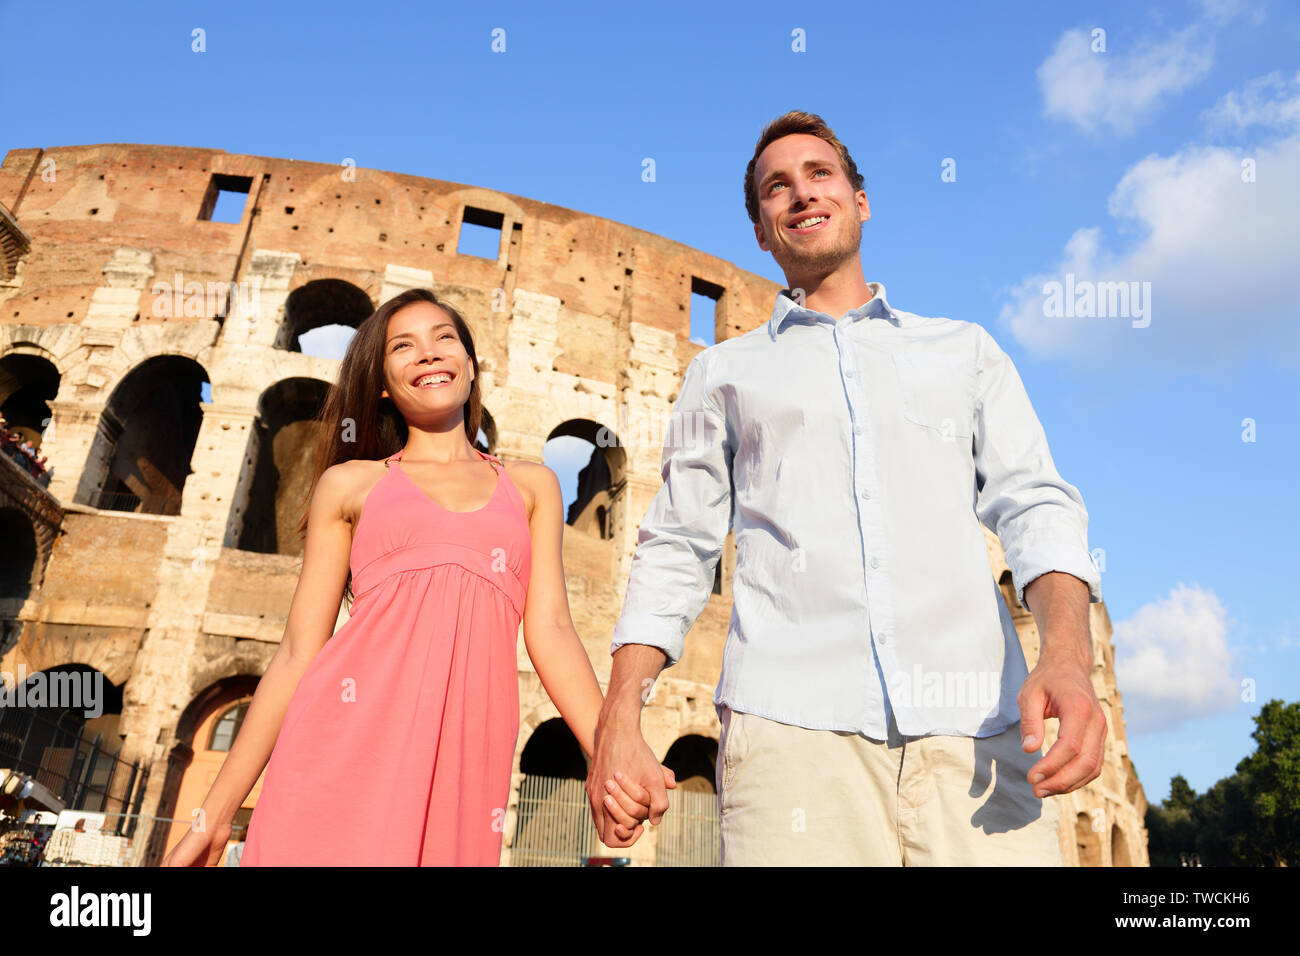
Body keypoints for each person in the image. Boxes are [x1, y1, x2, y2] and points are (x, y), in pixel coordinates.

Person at [588, 111, 1107, 865]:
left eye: (818, 174)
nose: (800, 193)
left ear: (860, 201)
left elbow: (1036, 505)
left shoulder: (963, 351)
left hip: (977, 738)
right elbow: (676, 545)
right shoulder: (723, 373)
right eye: (776, 188)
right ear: (762, 233)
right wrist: (620, 713)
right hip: (792, 738)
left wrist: (1067, 654)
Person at [162, 288, 669, 867]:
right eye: (403, 346)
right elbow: (299, 652)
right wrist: (214, 815)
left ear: (471, 367)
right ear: (381, 381)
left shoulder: (532, 487)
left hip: (462, 766)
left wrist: (607, 752)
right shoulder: (350, 484)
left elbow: (551, 629)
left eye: (443, 338)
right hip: (339, 745)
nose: (427, 354)